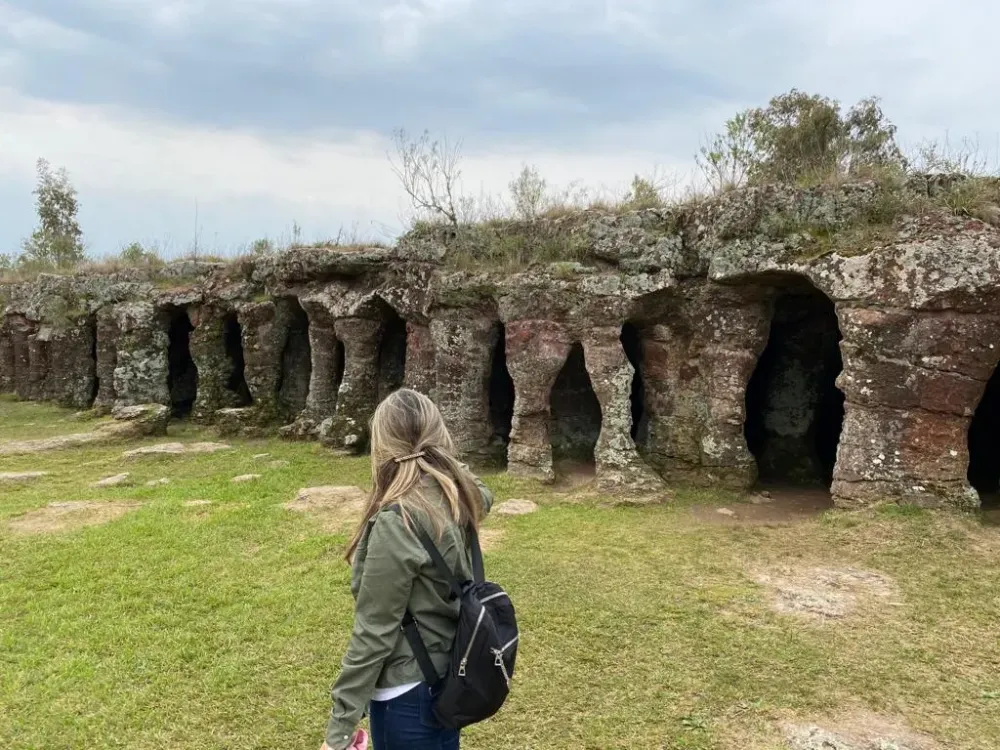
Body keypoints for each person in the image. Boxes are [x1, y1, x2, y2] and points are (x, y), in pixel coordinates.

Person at [320, 388, 495, 750]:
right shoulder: (458, 494)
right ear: (439, 435)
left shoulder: (397, 522)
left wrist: (338, 732)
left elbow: (373, 634)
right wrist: (441, 458)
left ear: (382, 445)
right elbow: (483, 491)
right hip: (450, 680)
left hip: (407, 695)